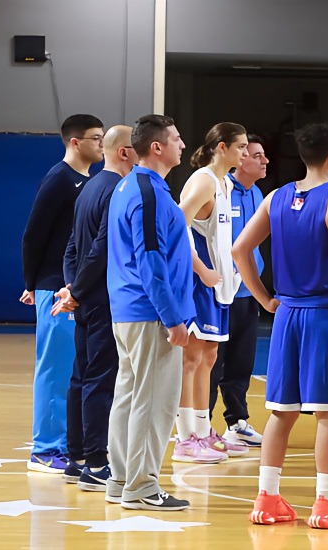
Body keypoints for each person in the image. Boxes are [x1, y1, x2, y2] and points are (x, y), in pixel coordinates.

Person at [239, 122, 328, 529]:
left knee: (281, 412)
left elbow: (241, 249)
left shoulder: (275, 196)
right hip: (326, 312)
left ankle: (267, 499)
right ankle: (326, 504)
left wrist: (264, 299)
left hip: (287, 315)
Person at [104, 114, 193, 510]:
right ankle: (141, 486)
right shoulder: (148, 192)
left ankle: (121, 478)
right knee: (153, 400)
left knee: (129, 394)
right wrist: (173, 317)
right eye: (176, 139)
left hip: (129, 309)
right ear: (156, 147)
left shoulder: (130, 186)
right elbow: (151, 259)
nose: (182, 145)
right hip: (149, 311)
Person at [53, 124, 135, 491]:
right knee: (100, 380)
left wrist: (72, 287)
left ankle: (76, 458)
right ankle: (98, 463)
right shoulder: (117, 190)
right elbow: (99, 248)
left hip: (87, 297)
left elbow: (72, 246)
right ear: (124, 153)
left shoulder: (88, 188)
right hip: (102, 299)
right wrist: (80, 291)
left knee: (80, 377)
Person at [21, 113, 104, 474]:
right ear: (75, 142)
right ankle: (43, 449)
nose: (101, 144)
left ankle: (72, 445)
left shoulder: (90, 181)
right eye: (96, 138)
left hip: (75, 287)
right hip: (55, 287)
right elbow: (33, 234)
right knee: (54, 369)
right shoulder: (58, 180)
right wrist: (32, 284)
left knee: (73, 370)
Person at [173, 123, 250, 463]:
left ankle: (203, 431)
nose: (245, 154)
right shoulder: (204, 180)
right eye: (241, 147)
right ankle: (184, 438)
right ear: (222, 147)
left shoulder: (225, 183)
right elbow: (176, 223)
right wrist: (200, 269)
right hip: (199, 280)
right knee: (191, 359)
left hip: (219, 282)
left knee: (208, 358)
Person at [211, 134, 270, 448]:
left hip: (249, 293)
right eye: (257, 155)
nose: (264, 161)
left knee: (241, 362)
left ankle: (237, 422)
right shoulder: (218, 188)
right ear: (241, 158)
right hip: (220, 294)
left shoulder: (258, 193)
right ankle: (198, 425)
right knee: (212, 361)